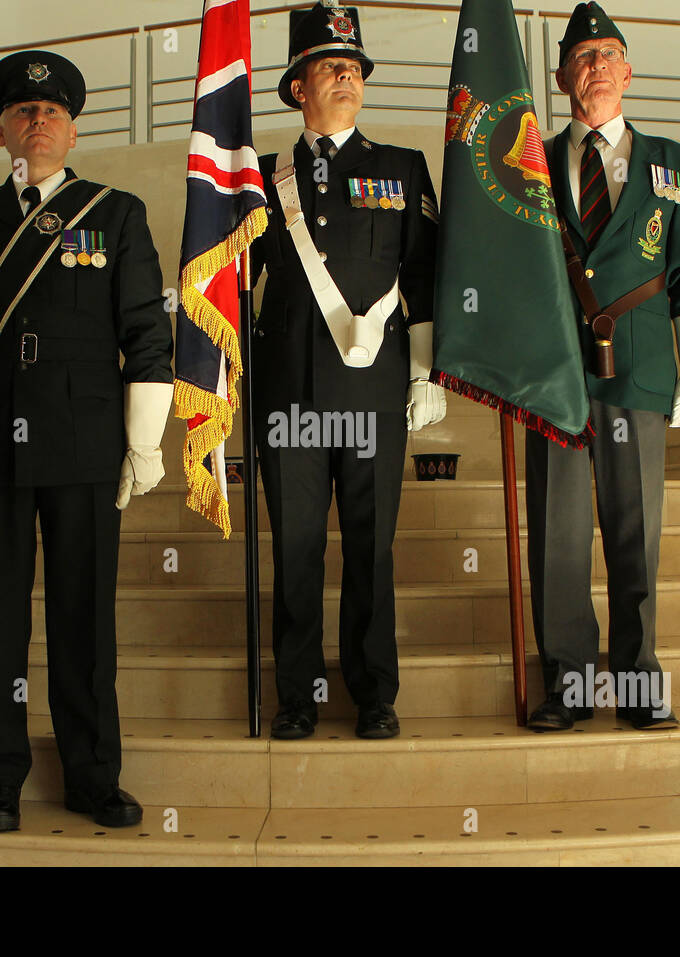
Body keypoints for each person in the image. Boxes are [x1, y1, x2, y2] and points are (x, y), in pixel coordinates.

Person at [0, 50, 174, 830]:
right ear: (1, 130)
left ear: (74, 128)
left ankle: (91, 774)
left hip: (86, 445)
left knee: (85, 617)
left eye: (52, 111)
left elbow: (146, 332)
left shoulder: (113, 214)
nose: (38, 120)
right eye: (23, 111)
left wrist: (143, 442)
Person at [250, 2, 445, 740]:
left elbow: (422, 277)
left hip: (372, 388)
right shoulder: (260, 179)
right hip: (289, 388)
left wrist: (424, 373)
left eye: (354, 68)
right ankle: (296, 695)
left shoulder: (401, 169)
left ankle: (374, 692)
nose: (346, 77)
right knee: (296, 544)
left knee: (370, 544)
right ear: (297, 86)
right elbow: (235, 287)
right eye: (330, 67)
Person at [525, 3, 680, 732]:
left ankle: (638, 686)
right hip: (554, 376)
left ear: (628, 73)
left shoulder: (675, 164)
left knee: (636, 534)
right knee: (560, 537)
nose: (595, 66)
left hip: (638, 372)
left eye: (608, 54)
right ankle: (568, 686)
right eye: (582, 56)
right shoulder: (529, 163)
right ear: (561, 75)